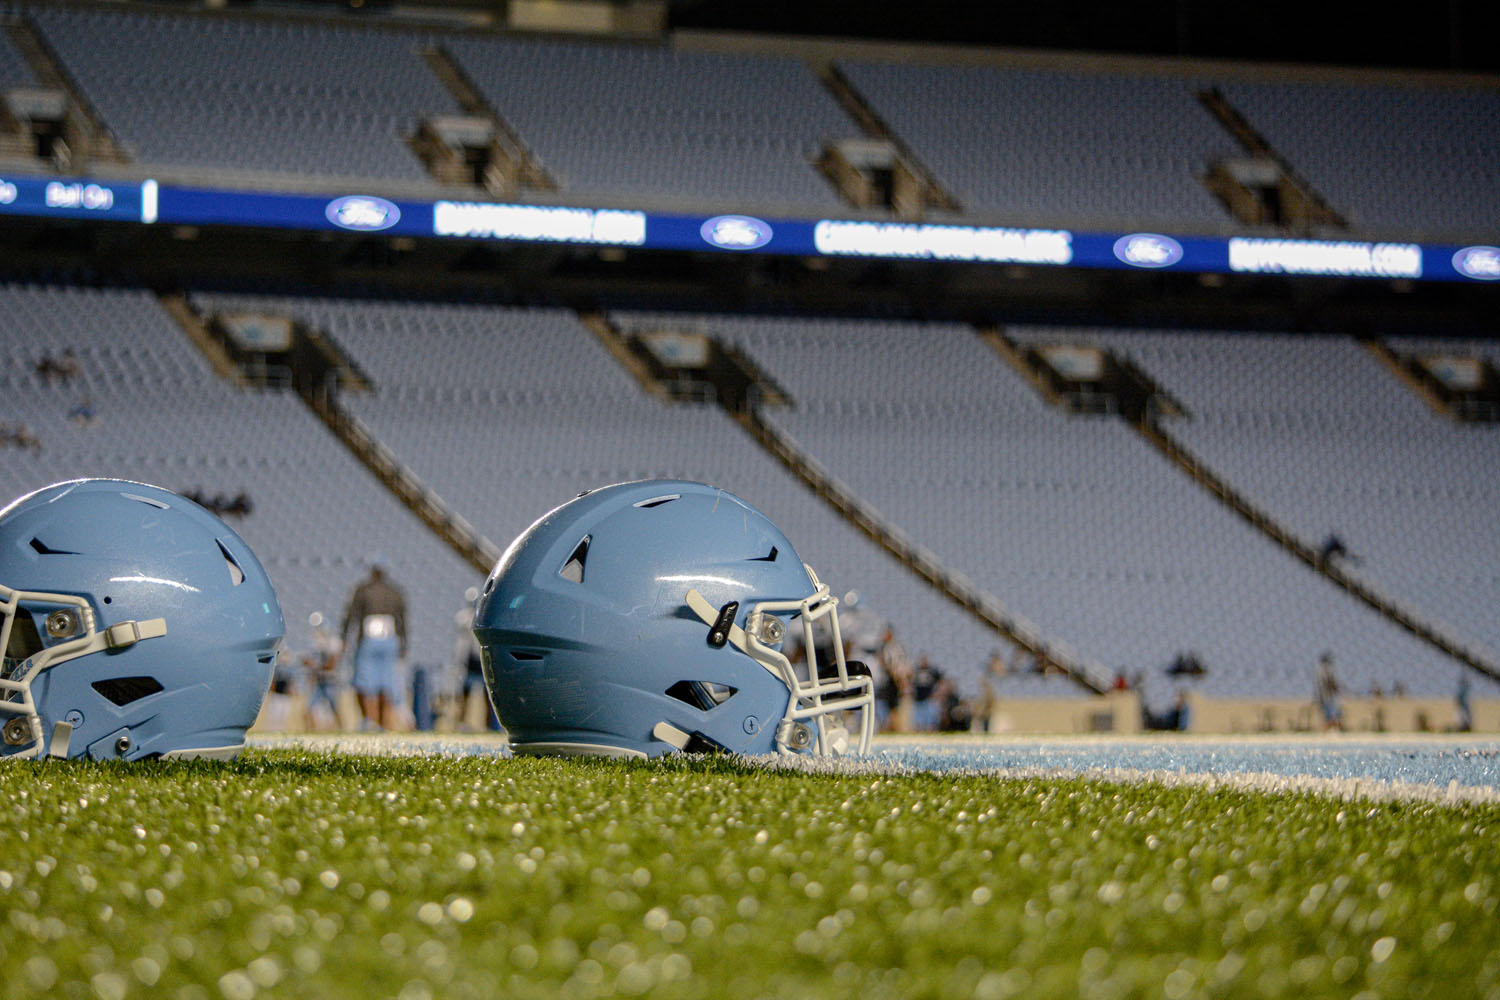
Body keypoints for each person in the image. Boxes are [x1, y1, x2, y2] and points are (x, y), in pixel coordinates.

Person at [341, 557, 408, 731]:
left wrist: (344, 638)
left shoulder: (363, 590)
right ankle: (385, 723)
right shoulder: (395, 592)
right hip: (390, 638)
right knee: (386, 682)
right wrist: (404, 644)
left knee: (367, 683)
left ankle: (371, 721)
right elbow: (403, 621)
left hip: (369, 638)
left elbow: (351, 615)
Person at [301, 611, 345, 731]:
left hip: (330, 681)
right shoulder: (317, 642)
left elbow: (332, 664)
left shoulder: (333, 641)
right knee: (309, 709)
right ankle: (311, 733)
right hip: (319, 681)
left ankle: (341, 729)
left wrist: (314, 666)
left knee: (334, 708)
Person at [1315, 651, 1342, 731]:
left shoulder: (1318, 670)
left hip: (1321, 696)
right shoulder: (1326, 669)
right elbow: (1330, 682)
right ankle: (1331, 728)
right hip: (1327, 696)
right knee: (1332, 713)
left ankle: (1329, 728)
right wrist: (1336, 688)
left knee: (1327, 713)